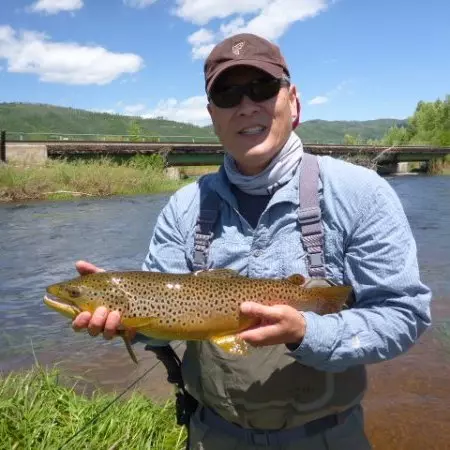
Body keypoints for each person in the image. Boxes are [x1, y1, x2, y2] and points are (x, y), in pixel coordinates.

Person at [73, 33, 432, 449]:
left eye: (261, 88)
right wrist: (126, 323)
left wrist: (306, 332)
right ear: (212, 115)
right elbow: (162, 326)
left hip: (329, 437)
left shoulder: (360, 193)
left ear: (293, 100)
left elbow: (403, 314)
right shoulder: (184, 207)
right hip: (213, 435)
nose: (246, 105)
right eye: (227, 94)